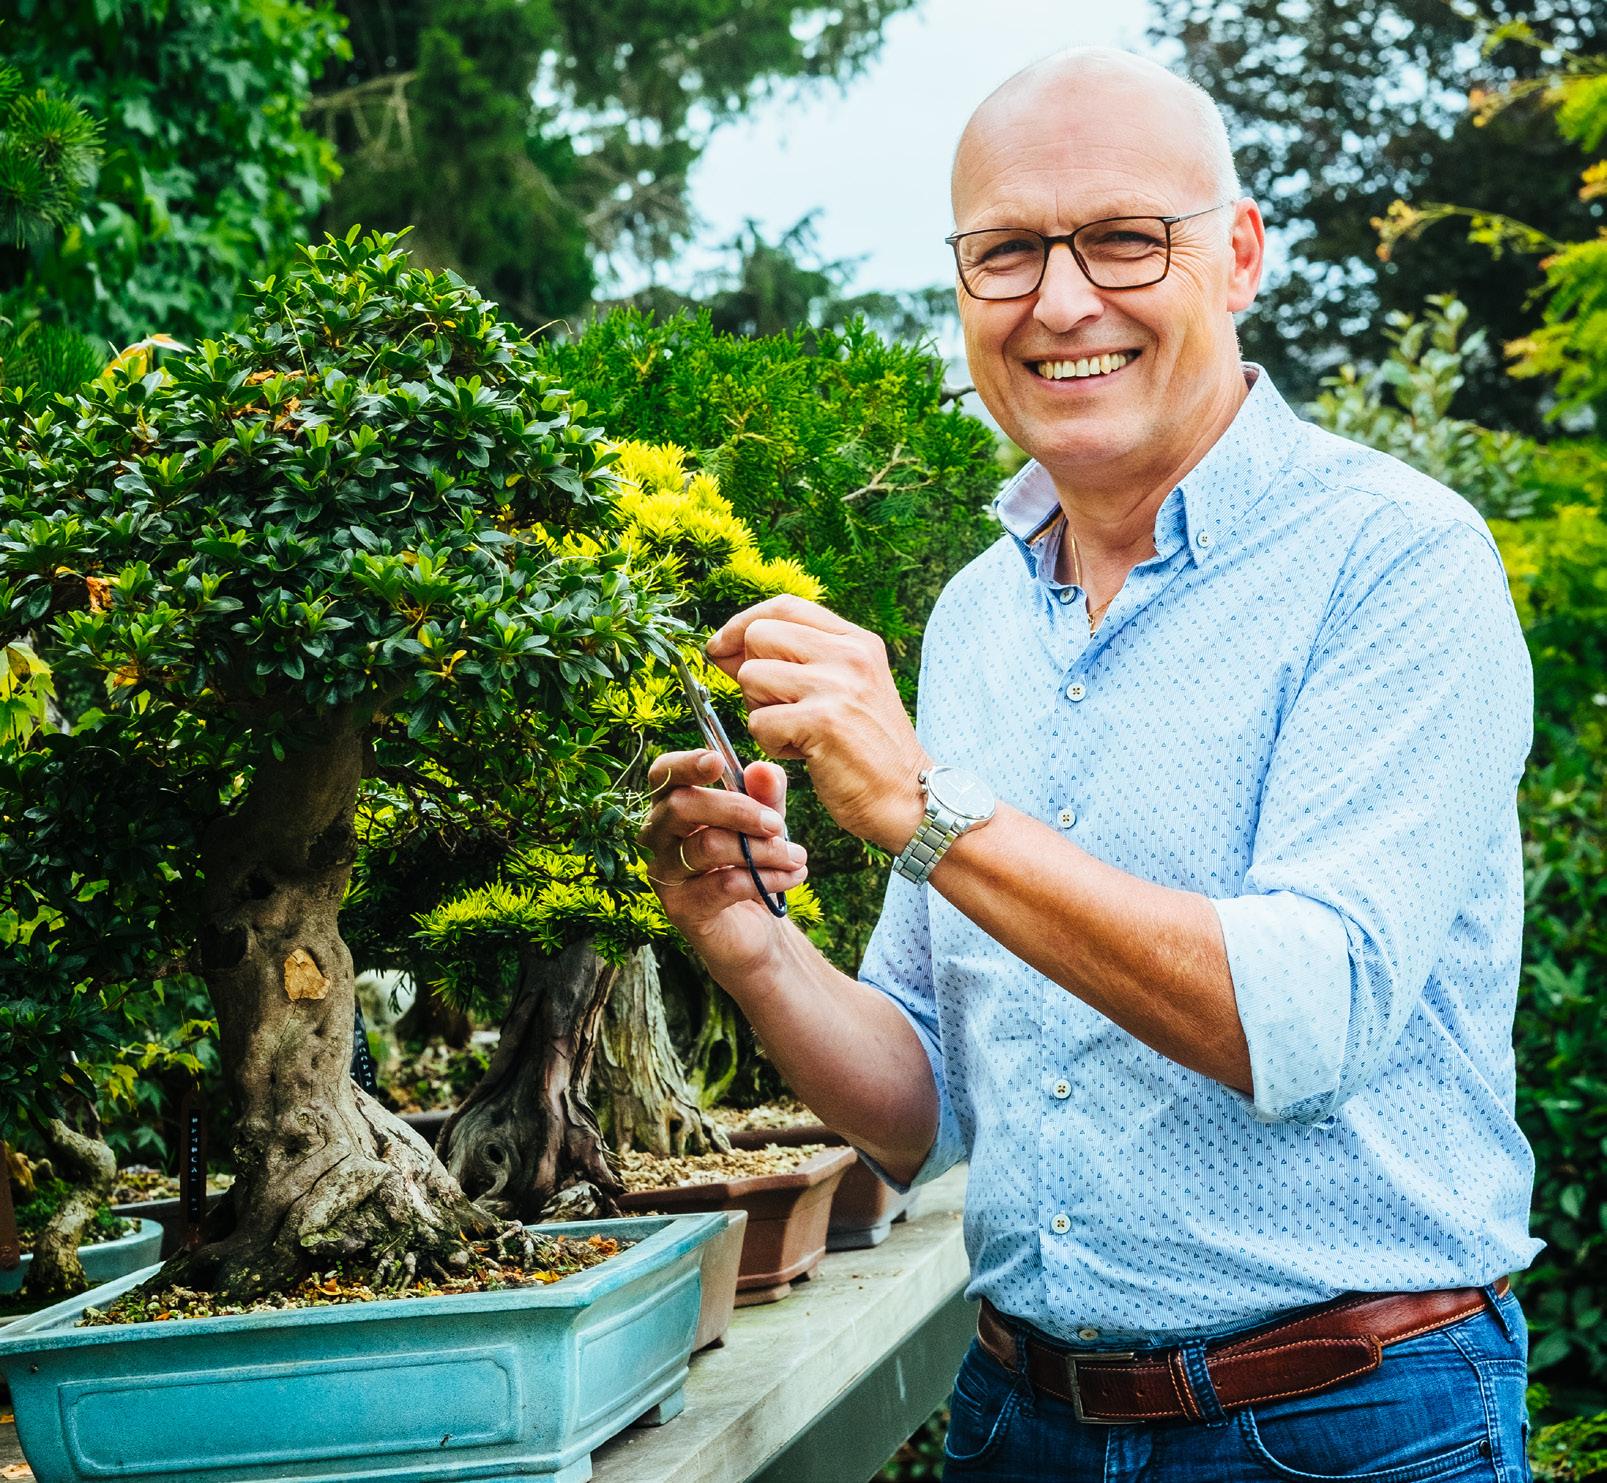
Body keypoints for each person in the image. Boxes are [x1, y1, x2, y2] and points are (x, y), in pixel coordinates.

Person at [638, 46, 1537, 1480]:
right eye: (1006, 253)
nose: (1062, 301)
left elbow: (1304, 1019)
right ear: (962, 287)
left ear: (1239, 257)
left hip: (1347, 1424)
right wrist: (750, 947)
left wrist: (929, 814)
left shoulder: (1398, 562)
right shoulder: (976, 614)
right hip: (1017, 1421)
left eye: (1125, 238)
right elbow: (926, 1107)